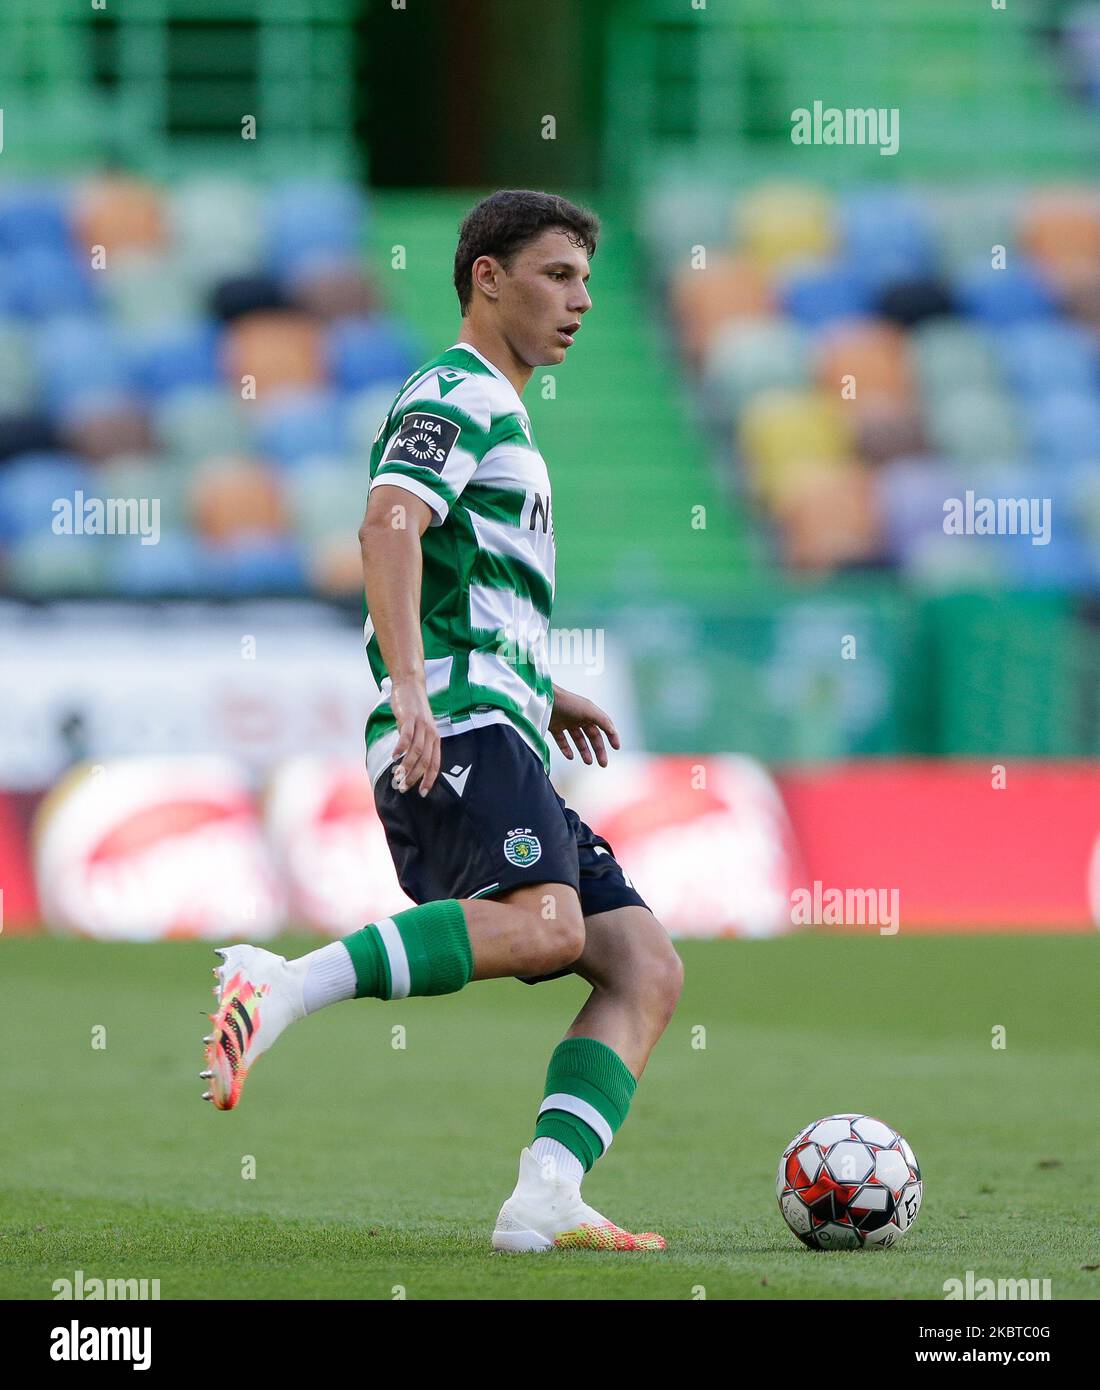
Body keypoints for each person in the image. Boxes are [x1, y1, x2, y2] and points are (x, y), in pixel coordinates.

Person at [201, 189, 683, 1252]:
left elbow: (463, 571)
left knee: (642, 963)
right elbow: (387, 527)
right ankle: (279, 981)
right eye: (557, 276)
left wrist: (539, 685)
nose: (582, 302)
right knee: (552, 925)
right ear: (486, 278)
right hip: (456, 721)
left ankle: (546, 1193)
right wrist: (415, 687)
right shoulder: (454, 392)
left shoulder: (502, 412)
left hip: (497, 710)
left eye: (589, 282)